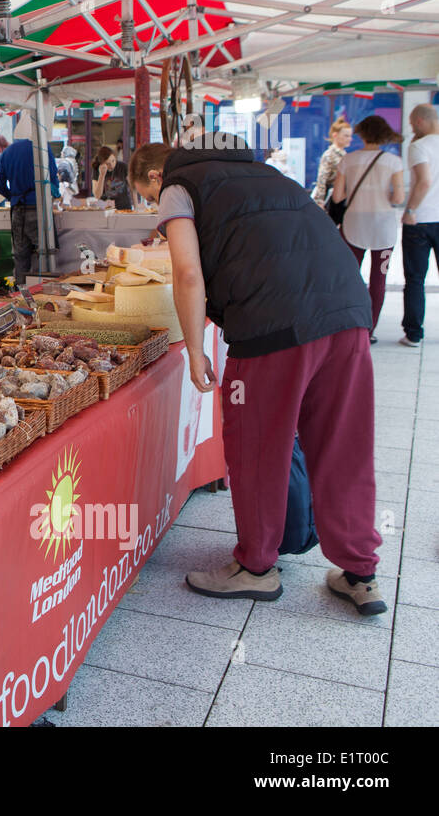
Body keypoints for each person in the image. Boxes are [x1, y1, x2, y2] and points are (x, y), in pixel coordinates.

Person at [130, 135, 385, 616]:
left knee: (258, 446)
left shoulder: (178, 184)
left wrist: (192, 347)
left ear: (155, 178)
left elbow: (187, 274)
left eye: (150, 205)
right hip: (347, 313)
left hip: (272, 326)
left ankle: (255, 567)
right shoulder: (266, 173)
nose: (157, 217)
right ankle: (361, 572)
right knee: (344, 445)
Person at [333, 115, 404, 340]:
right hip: (383, 227)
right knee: (379, 279)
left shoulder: (348, 160)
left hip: (354, 224)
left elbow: (337, 197)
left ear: (361, 133)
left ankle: (352, 324)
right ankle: (370, 329)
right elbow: (399, 197)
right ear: (384, 135)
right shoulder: (393, 162)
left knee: (352, 276)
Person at [400, 103, 439, 347]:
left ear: (421, 121)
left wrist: (410, 210)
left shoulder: (419, 146)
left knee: (415, 279)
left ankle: (414, 333)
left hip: (421, 220)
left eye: (413, 122)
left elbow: (424, 181)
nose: (412, 127)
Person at [0, 134, 60, 279]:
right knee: (46, 256)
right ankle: (44, 295)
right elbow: (54, 180)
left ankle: (19, 295)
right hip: (38, 209)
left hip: (17, 210)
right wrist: (54, 195)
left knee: (20, 258)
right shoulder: (42, 148)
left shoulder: (7, 153)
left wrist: (14, 197)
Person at [312, 116, 353, 206]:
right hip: (332, 197)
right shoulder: (329, 155)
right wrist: (320, 202)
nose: (350, 139)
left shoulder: (345, 155)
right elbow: (322, 179)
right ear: (335, 135)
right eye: (346, 136)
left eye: (350, 136)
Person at [93, 144, 132, 209]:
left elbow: (132, 187)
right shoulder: (96, 170)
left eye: (113, 161)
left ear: (115, 157)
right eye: (108, 164)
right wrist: (101, 175)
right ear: (102, 163)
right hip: (105, 209)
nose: (111, 165)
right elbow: (97, 196)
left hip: (124, 207)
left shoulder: (123, 166)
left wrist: (136, 207)